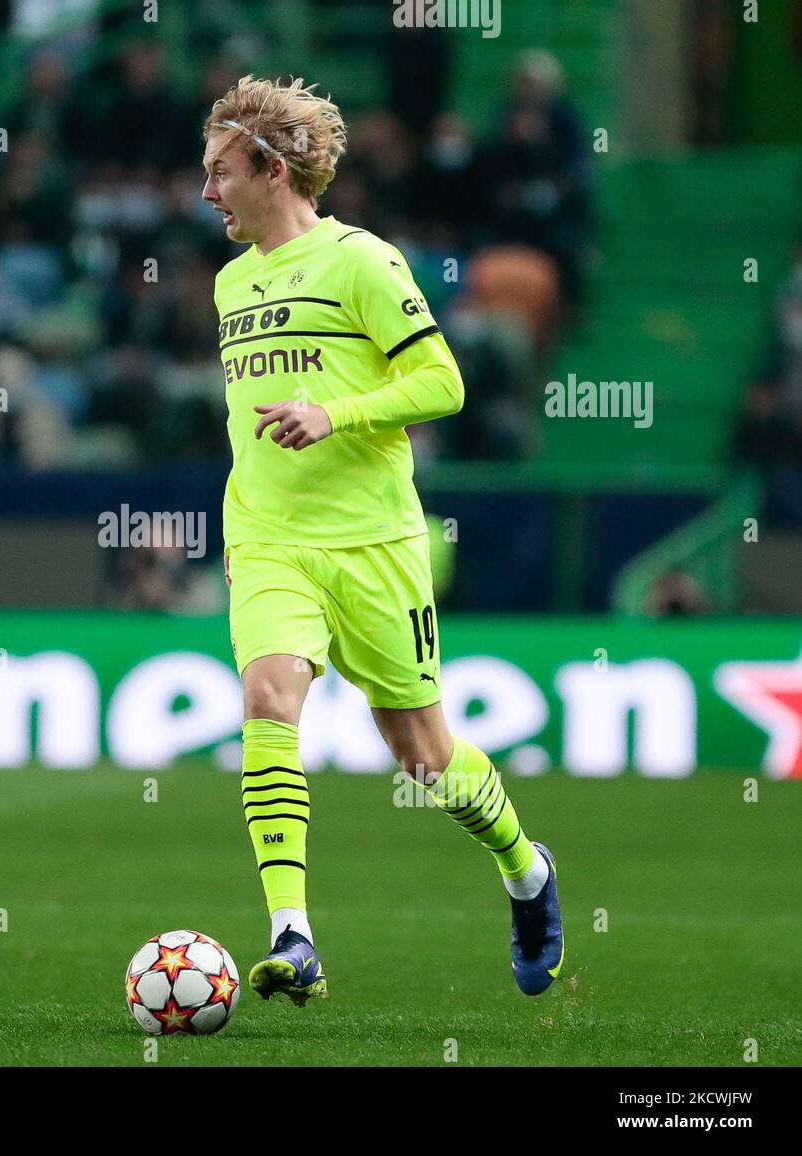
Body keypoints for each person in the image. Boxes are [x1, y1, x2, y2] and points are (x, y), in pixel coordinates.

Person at [200, 75, 563, 1007]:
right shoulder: (230, 281)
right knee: (268, 696)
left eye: (220, 172)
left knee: (424, 759)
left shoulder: (364, 261)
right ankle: (293, 932)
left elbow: (443, 383)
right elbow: (247, 419)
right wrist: (242, 516)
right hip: (271, 538)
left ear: (270, 169)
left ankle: (526, 872)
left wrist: (336, 413)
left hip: (372, 543)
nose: (208, 193)